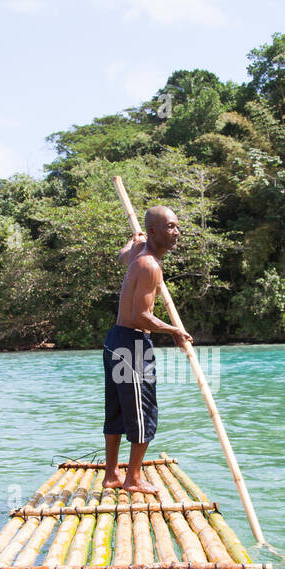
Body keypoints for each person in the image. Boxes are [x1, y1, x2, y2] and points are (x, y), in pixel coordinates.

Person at [102, 205, 193, 494]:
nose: (176, 232)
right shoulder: (149, 265)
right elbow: (142, 316)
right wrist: (175, 331)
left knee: (117, 411)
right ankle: (133, 479)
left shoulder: (138, 250)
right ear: (153, 231)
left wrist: (132, 240)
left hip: (115, 340)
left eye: (177, 226)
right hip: (132, 344)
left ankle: (112, 475)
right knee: (144, 412)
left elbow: (120, 257)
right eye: (169, 227)